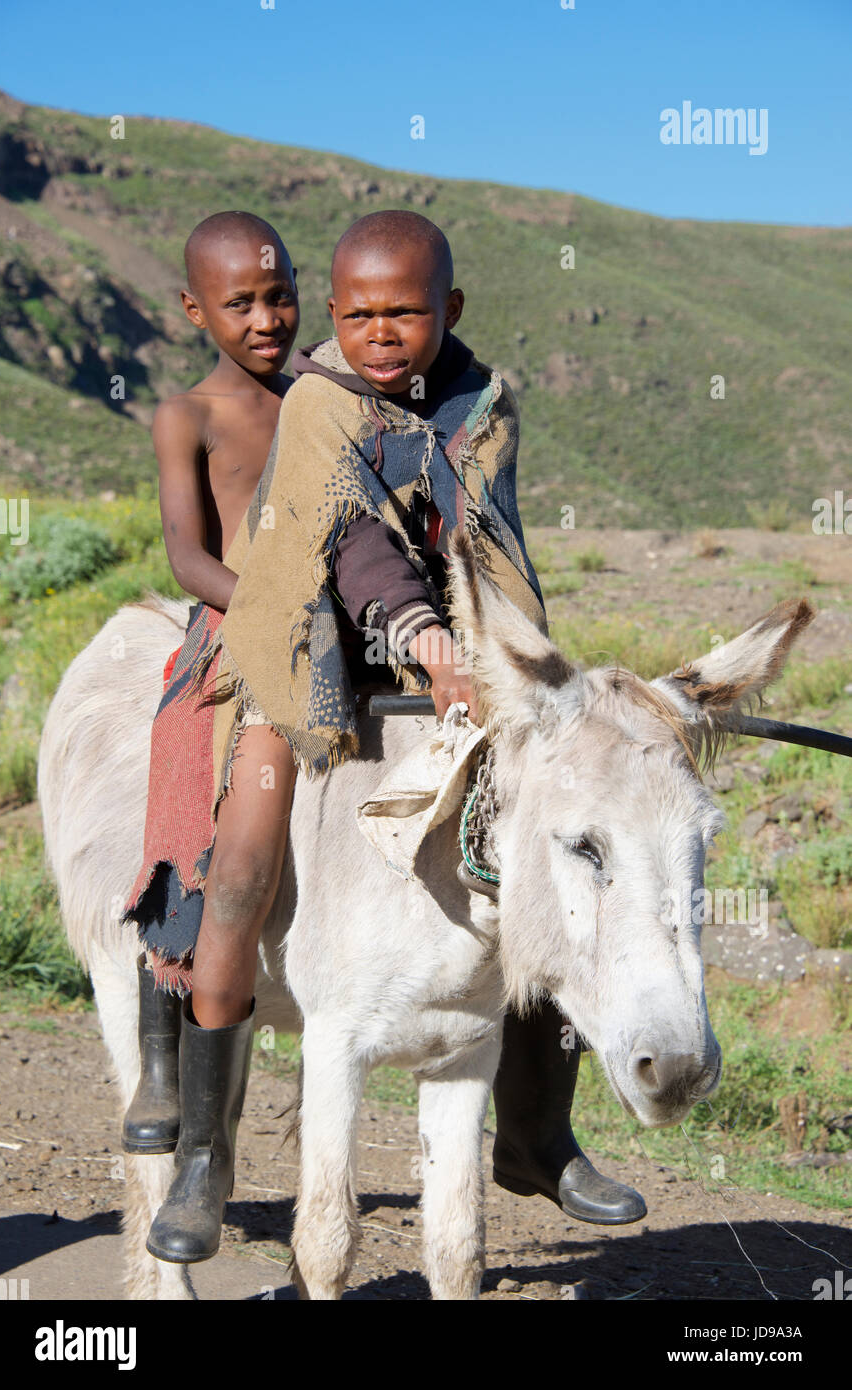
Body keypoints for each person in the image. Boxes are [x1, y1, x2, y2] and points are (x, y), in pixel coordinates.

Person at [140, 209, 645, 1266]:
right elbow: (349, 537)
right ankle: (204, 1149)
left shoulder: (480, 404)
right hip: (306, 647)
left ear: (449, 311)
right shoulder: (317, 405)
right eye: (358, 314)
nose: (380, 333)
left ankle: (540, 1130)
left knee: (546, 856)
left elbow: (482, 535)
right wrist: (409, 629)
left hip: (455, 647)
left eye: (404, 312)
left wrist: (488, 648)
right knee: (241, 849)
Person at [120, 209, 300, 1196]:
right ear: (197, 310)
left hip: (337, 627)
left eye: (280, 295)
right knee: (183, 784)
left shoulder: (324, 392)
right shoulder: (186, 415)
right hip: (233, 630)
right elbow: (188, 556)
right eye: (241, 302)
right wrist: (275, 605)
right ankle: (167, 1068)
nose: (267, 317)